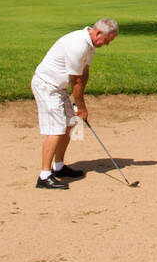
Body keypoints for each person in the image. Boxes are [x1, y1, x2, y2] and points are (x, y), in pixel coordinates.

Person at [31, 18, 118, 189]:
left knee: (70, 124)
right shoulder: (77, 45)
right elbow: (76, 80)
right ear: (98, 33)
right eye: (107, 40)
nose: (107, 44)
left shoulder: (91, 45)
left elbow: (84, 73)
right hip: (47, 85)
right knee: (56, 129)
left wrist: (77, 104)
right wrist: (82, 107)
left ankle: (59, 167)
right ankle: (44, 176)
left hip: (59, 87)